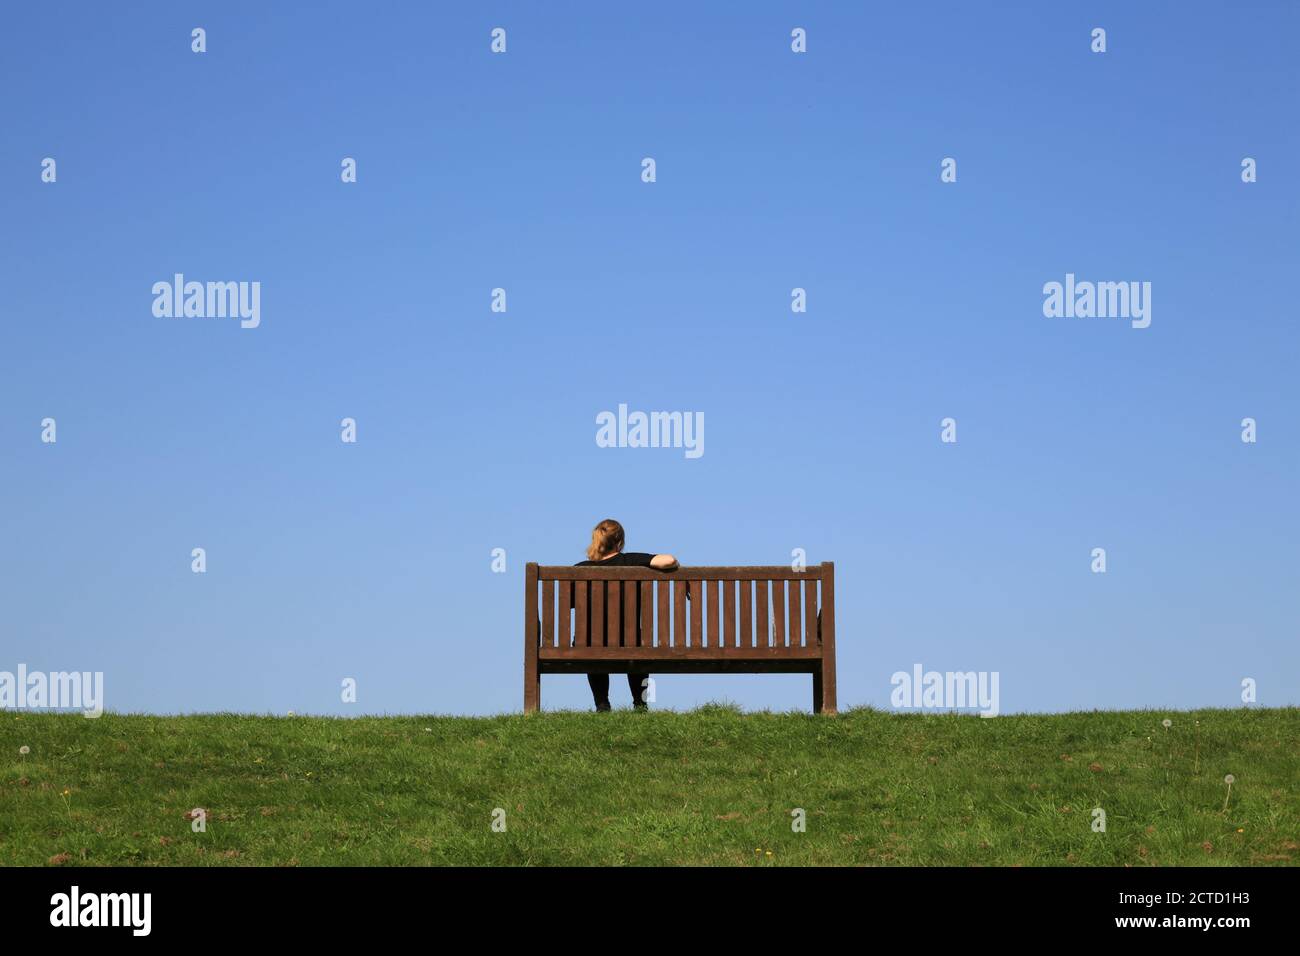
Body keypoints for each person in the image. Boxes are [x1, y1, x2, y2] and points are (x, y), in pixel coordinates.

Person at [575, 518, 678, 712]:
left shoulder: (580, 569)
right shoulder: (632, 561)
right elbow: (669, 560)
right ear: (619, 542)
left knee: (593, 644)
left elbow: (570, 603)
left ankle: (602, 704)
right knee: (636, 648)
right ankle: (640, 704)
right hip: (630, 641)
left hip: (589, 643)